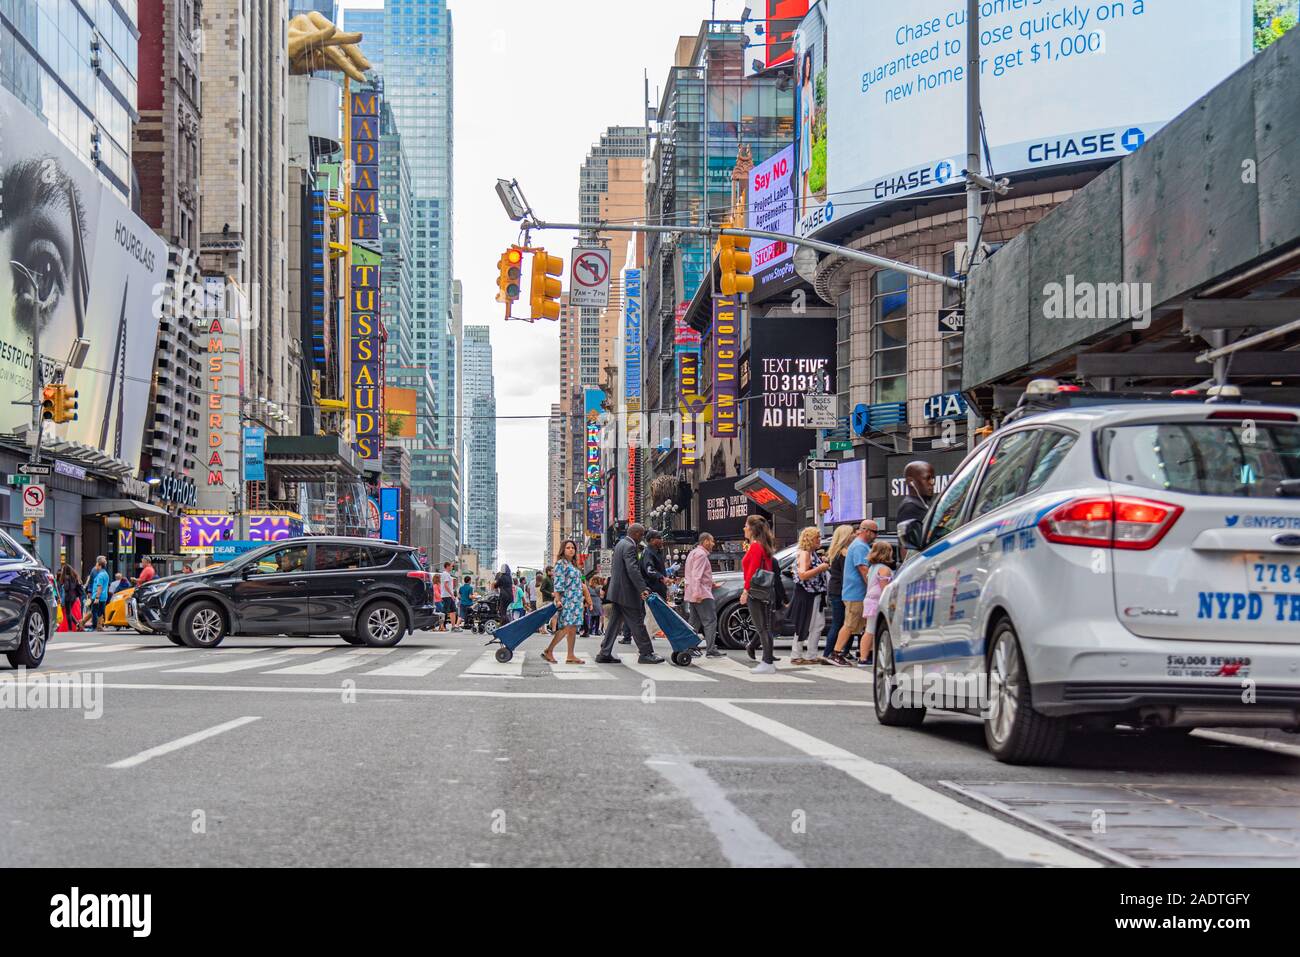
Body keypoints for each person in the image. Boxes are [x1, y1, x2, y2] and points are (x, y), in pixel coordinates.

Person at [596, 523, 664, 665]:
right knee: (637, 622)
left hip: (618, 592)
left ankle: (604, 652)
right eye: (642, 534)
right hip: (626, 593)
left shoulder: (621, 544)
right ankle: (646, 653)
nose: (643, 538)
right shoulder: (630, 546)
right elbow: (632, 569)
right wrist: (642, 588)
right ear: (637, 534)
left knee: (614, 624)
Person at [828, 520, 878, 666]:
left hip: (856, 593)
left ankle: (865, 655)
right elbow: (863, 570)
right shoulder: (860, 547)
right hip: (856, 593)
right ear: (866, 531)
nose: (876, 536)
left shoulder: (858, 546)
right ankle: (836, 653)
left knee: (863, 626)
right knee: (850, 624)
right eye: (875, 532)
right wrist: (873, 587)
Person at [740, 515, 780, 674]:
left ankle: (767, 662)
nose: (744, 528)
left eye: (745, 525)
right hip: (765, 591)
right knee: (765, 628)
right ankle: (768, 661)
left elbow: (752, 571)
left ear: (751, 529)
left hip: (756, 593)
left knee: (762, 628)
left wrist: (745, 590)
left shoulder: (756, 546)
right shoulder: (764, 545)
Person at [542, 540, 591, 665]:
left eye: (573, 548)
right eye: (568, 547)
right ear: (563, 550)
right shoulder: (560, 564)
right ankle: (549, 650)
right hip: (567, 600)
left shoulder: (572, 564)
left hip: (576, 601)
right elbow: (558, 585)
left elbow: (580, 584)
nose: (571, 549)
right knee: (566, 628)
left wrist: (587, 599)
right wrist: (558, 600)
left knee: (572, 629)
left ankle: (570, 655)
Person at [788, 526, 831, 665]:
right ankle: (797, 655)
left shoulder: (811, 553)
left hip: (814, 594)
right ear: (810, 539)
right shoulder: (805, 553)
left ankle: (810, 654)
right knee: (804, 624)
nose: (819, 540)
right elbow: (802, 574)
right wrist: (820, 568)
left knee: (817, 624)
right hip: (807, 594)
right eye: (817, 537)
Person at [684, 532, 724, 658]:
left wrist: (711, 584)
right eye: (712, 541)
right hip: (701, 594)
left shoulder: (693, 553)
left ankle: (690, 647)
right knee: (710, 621)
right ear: (705, 541)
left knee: (694, 623)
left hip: (693, 592)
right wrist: (698, 593)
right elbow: (697, 575)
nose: (713, 544)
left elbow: (694, 574)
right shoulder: (701, 555)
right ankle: (711, 649)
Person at [820, 525, 856, 662]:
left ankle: (839, 652)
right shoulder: (843, 554)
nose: (854, 535)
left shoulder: (837, 552)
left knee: (843, 623)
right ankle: (829, 653)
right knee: (840, 622)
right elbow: (845, 575)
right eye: (852, 533)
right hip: (840, 591)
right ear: (845, 536)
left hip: (837, 590)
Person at [858, 541, 895, 668]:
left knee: (870, 629)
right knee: (870, 630)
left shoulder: (873, 567)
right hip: (877, 601)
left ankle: (866, 656)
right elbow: (884, 588)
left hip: (870, 599)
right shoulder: (884, 569)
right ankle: (863, 658)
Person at [896, 460, 936, 558]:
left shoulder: (921, 505)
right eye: (927, 478)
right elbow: (906, 546)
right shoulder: (910, 507)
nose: (932, 483)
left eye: (933, 479)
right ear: (910, 482)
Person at [639, 529, 670, 640]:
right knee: (651, 617)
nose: (661, 540)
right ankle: (645, 645)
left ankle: (646, 642)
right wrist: (662, 578)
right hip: (652, 590)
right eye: (659, 538)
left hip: (657, 590)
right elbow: (650, 570)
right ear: (652, 540)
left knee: (654, 617)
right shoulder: (648, 552)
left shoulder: (655, 552)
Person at [57, 564, 85, 633]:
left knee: (68, 613)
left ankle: (70, 629)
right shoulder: (74, 577)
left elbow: (66, 588)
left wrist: (64, 585)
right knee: (69, 612)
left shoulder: (66, 577)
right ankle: (77, 624)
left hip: (68, 597)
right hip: (74, 597)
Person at [87, 556, 111, 632]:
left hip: (97, 596)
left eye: (97, 564)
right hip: (104, 596)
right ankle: (99, 626)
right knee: (100, 612)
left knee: (94, 611)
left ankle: (95, 626)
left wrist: (97, 597)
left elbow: (99, 587)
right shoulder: (106, 574)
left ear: (100, 565)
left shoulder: (100, 575)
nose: (95, 566)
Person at [441, 562, 459, 629]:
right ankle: (442, 626)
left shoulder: (447, 574)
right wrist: (452, 595)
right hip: (447, 595)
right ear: (447, 566)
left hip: (449, 595)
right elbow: (445, 585)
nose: (452, 568)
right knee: (445, 611)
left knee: (453, 611)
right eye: (451, 566)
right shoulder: (445, 574)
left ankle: (453, 626)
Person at [540, 566, 556, 633]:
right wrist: (550, 594)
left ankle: (553, 630)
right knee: (547, 615)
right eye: (552, 571)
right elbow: (542, 589)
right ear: (548, 571)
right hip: (547, 600)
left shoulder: (552, 579)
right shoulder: (546, 579)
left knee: (554, 615)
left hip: (552, 600)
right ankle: (543, 629)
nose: (553, 572)